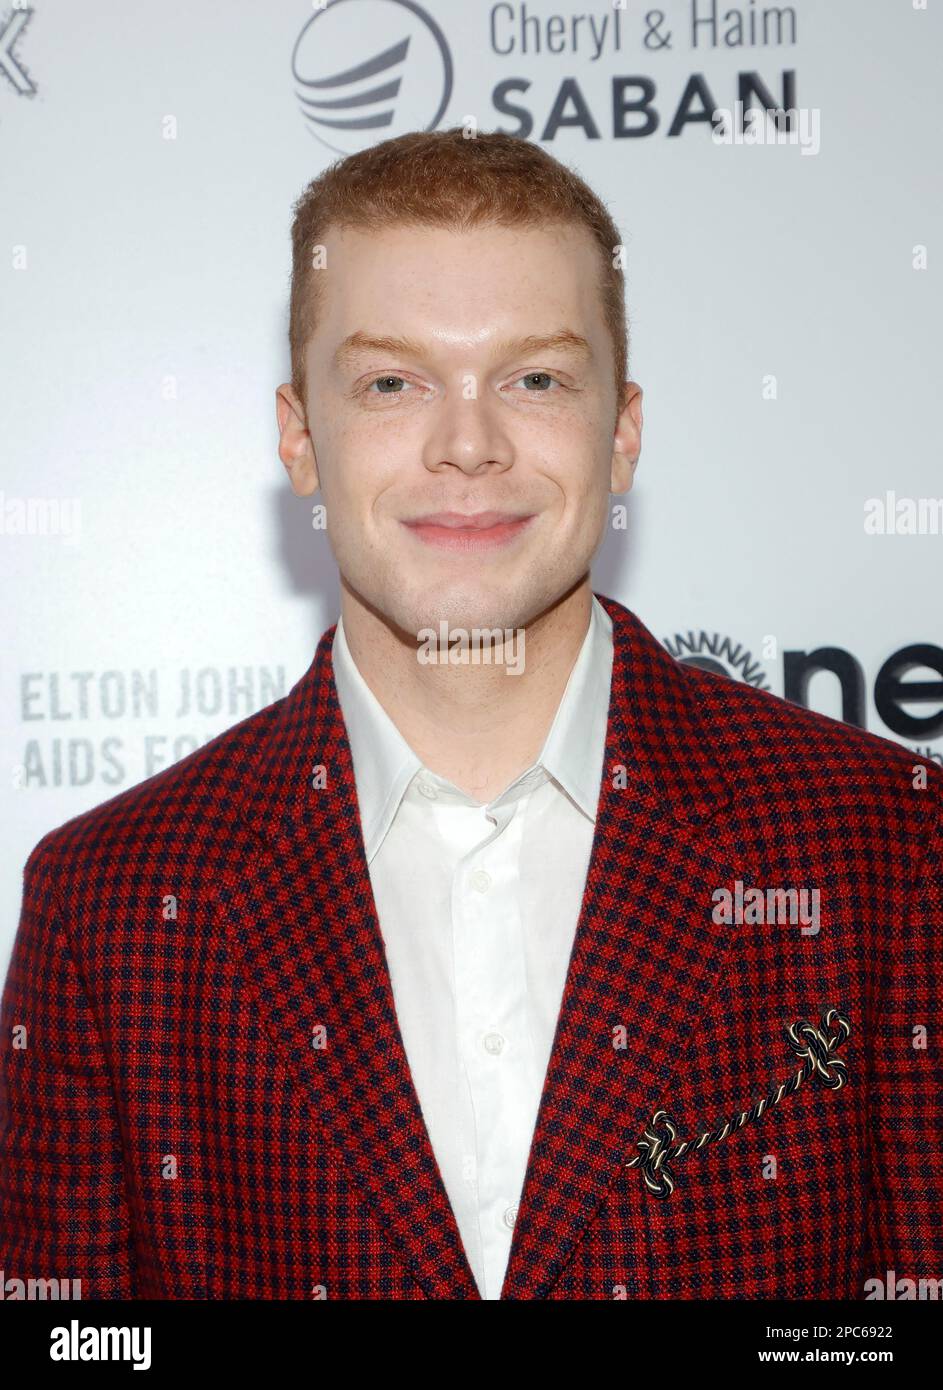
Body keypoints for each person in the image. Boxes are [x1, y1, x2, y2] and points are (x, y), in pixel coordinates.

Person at [1, 128, 940, 1301]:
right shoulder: (110, 902)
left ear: (623, 433)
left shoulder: (884, 840)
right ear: (299, 437)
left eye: (534, 378)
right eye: (392, 383)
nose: (467, 446)